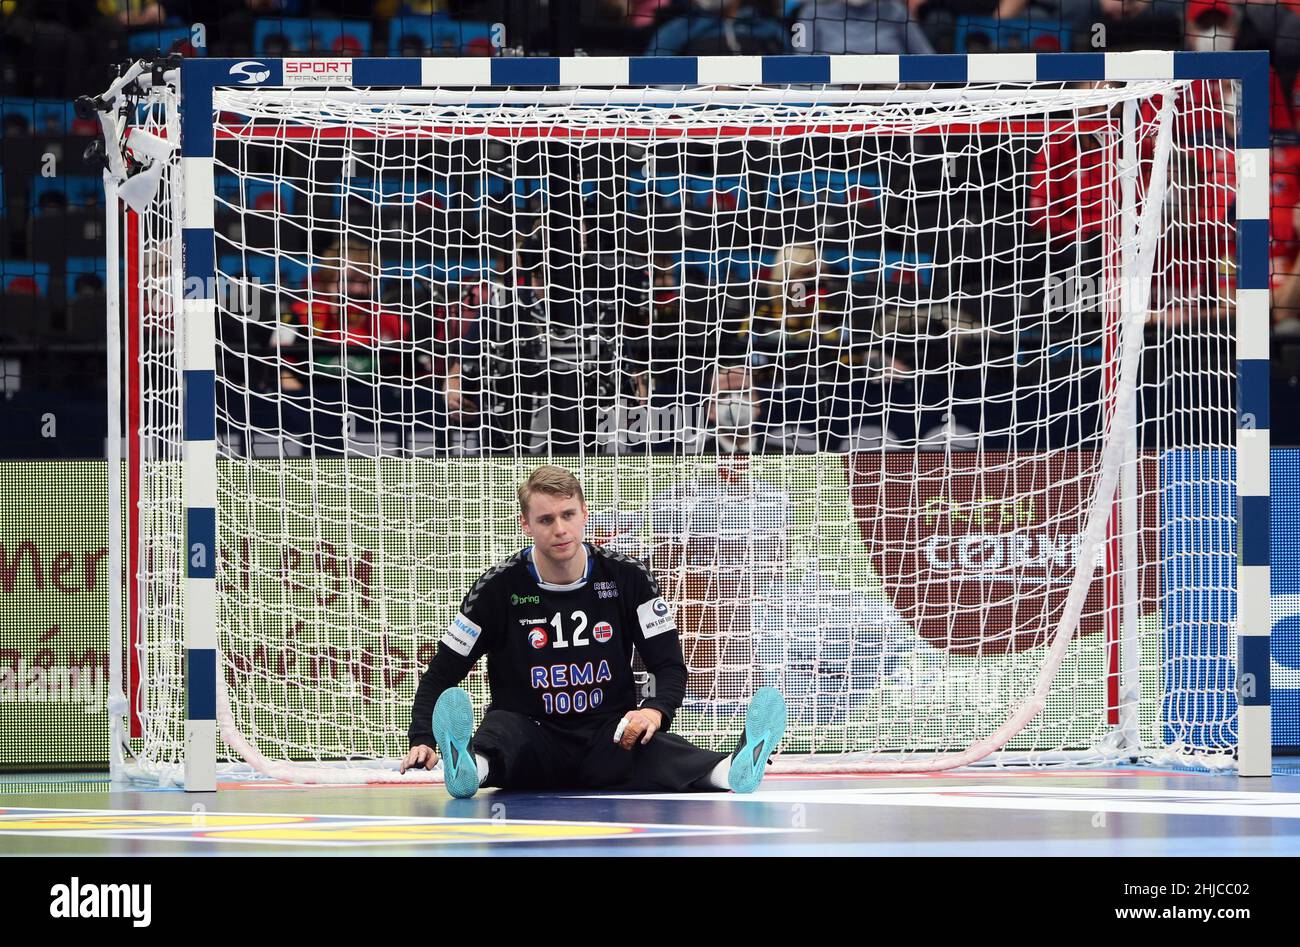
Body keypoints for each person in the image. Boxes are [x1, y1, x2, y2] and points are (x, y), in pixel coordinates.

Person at [402, 464, 788, 797]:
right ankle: (469, 769)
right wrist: (422, 738)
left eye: (568, 515)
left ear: (585, 514)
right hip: (531, 733)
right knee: (502, 734)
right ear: (526, 525)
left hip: (606, 734)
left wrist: (654, 711)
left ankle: (733, 771)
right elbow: (443, 671)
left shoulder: (627, 577)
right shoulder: (497, 588)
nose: (560, 529)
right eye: (546, 519)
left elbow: (669, 665)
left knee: (662, 751)